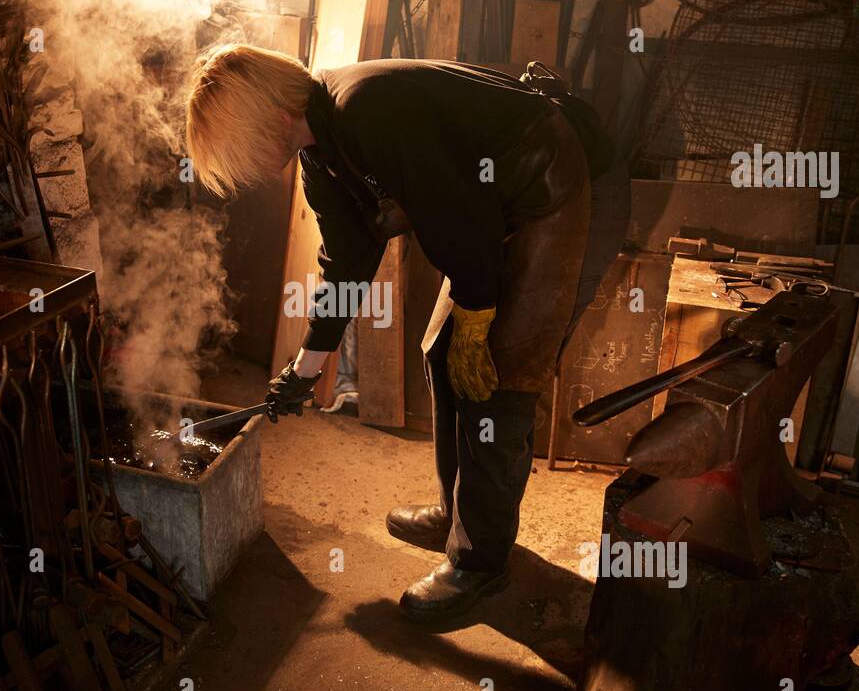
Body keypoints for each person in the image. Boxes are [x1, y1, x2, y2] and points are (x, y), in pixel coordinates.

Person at [186, 45, 628, 622]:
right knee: (442, 352)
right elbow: (345, 263)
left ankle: (480, 563)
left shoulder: (368, 109)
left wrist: (478, 313)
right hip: (501, 204)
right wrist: (303, 373)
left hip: (567, 188)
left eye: (236, 147)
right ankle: (457, 513)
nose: (241, 168)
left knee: (498, 379)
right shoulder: (322, 153)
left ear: (266, 118)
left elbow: (461, 218)